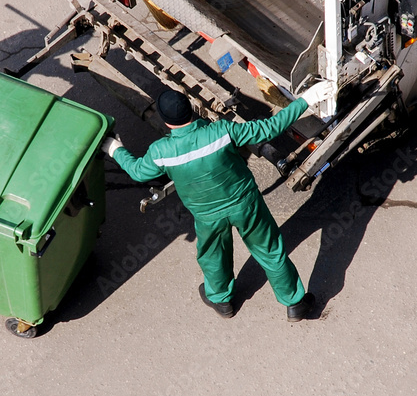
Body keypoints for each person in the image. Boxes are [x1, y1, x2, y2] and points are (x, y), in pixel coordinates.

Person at [103, 82, 333, 321]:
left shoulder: (161, 151)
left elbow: (138, 172)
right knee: (269, 249)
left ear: (166, 122)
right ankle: (294, 302)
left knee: (213, 255)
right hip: (245, 203)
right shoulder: (221, 131)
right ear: (191, 109)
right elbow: (270, 127)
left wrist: (114, 149)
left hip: (207, 216)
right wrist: (306, 99)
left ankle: (221, 300)